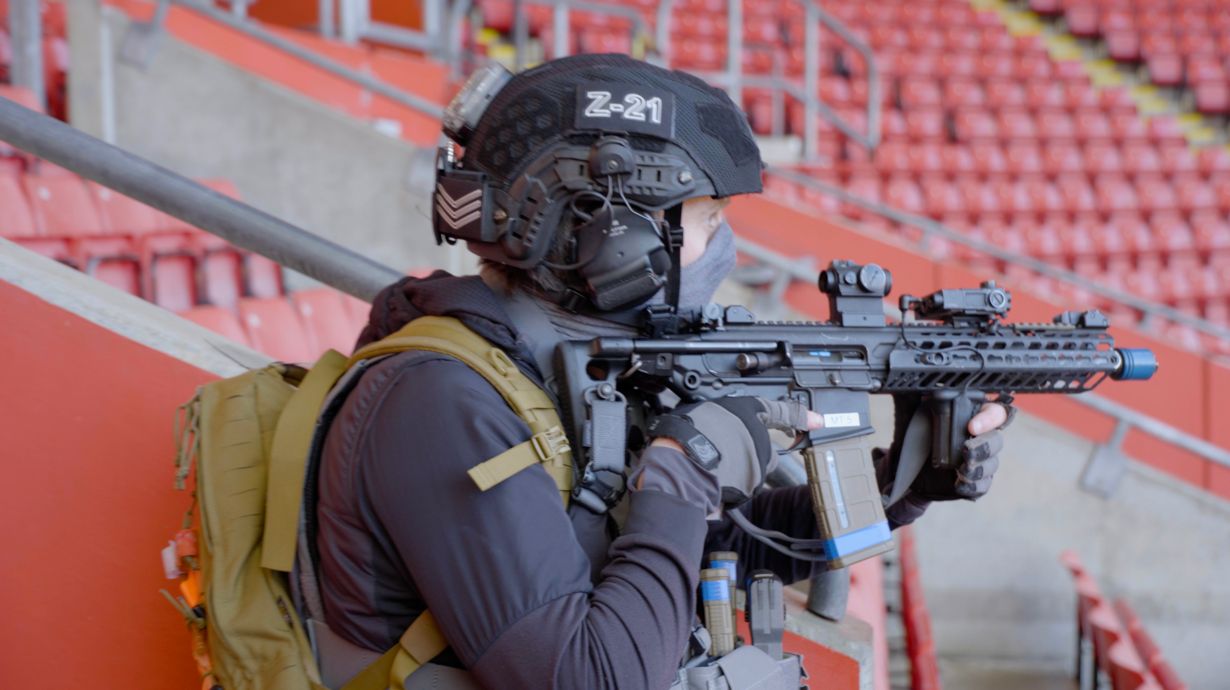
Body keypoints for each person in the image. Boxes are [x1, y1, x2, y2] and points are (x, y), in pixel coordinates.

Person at [313, 54, 1011, 689]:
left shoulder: (550, 371)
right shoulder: (440, 400)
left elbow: (704, 554)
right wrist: (685, 466)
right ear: (610, 237)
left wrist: (904, 484)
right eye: (707, 219)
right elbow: (593, 678)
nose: (724, 247)